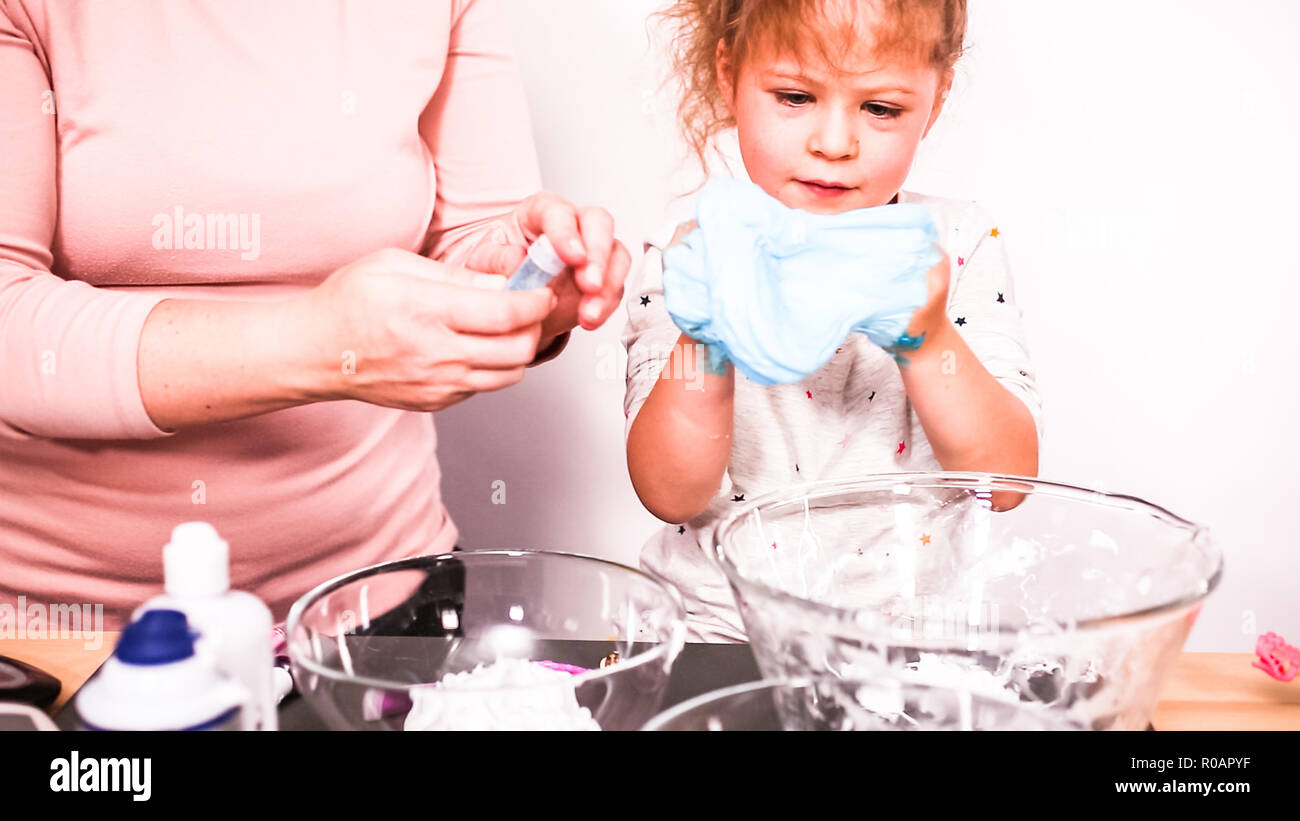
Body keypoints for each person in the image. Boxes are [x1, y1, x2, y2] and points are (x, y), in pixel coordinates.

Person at [0, 0, 629, 629]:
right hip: (64, 636)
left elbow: (470, 232)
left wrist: (515, 279)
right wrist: (322, 347)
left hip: (382, 594)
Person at [622, 0, 1041, 641]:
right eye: (795, 96)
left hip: (914, 644)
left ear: (936, 100)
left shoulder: (958, 245)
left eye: (880, 108)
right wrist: (703, 341)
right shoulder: (691, 258)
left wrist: (924, 333)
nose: (834, 143)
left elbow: (1004, 483)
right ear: (729, 72)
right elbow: (670, 494)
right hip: (720, 634)